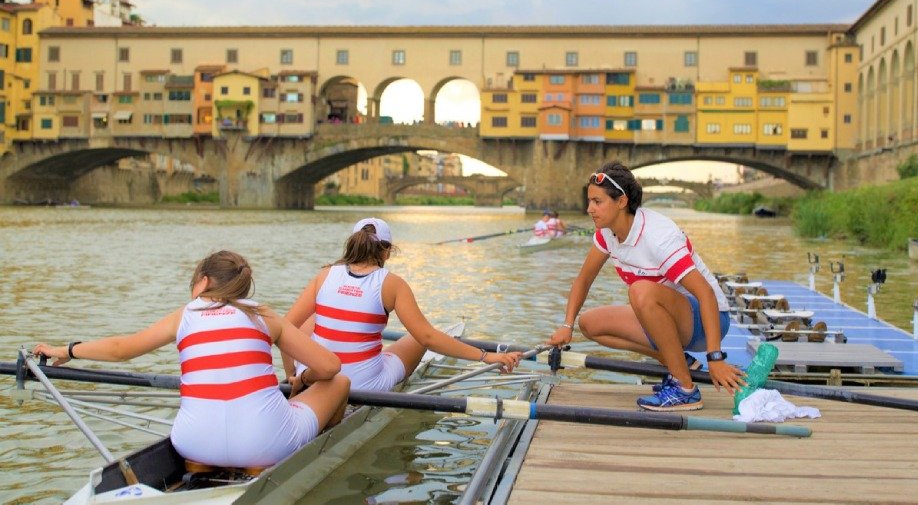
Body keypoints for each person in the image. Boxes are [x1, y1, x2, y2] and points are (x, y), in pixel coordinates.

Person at [33, 250, 351, 468]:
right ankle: (314, 449)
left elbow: (121, 349)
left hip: (192, 444)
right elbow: (330, 367)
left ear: (203, 281)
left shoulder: (183, 316)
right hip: (267, 443)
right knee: (341, 382)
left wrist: (66, 350)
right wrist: (301, 381)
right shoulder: (262, 315)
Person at [547, 162, 745, 411]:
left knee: (639, 290)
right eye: (589, 201)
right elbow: (583, 280)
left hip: (708, 321)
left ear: (621, 202)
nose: (589, 209)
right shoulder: (607, 233)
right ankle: (676, 361)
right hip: (670, 316)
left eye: (597, 202)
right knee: (590, 324)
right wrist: (567, 325)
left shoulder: (657, 237)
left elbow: (705, 293)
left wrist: (715, 357)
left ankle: (685, 389)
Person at [284, 218, 521, 391]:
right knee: (415, 337)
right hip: (364, 386)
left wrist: (292, 374)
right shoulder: (392, 284)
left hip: (315, 376)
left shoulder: (325, 275)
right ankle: (373, 360)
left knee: (310, 321)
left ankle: (301, 379)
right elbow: (428, 338)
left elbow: (285, 329)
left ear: (353, 244)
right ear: (387, 252)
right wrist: (486, 356)